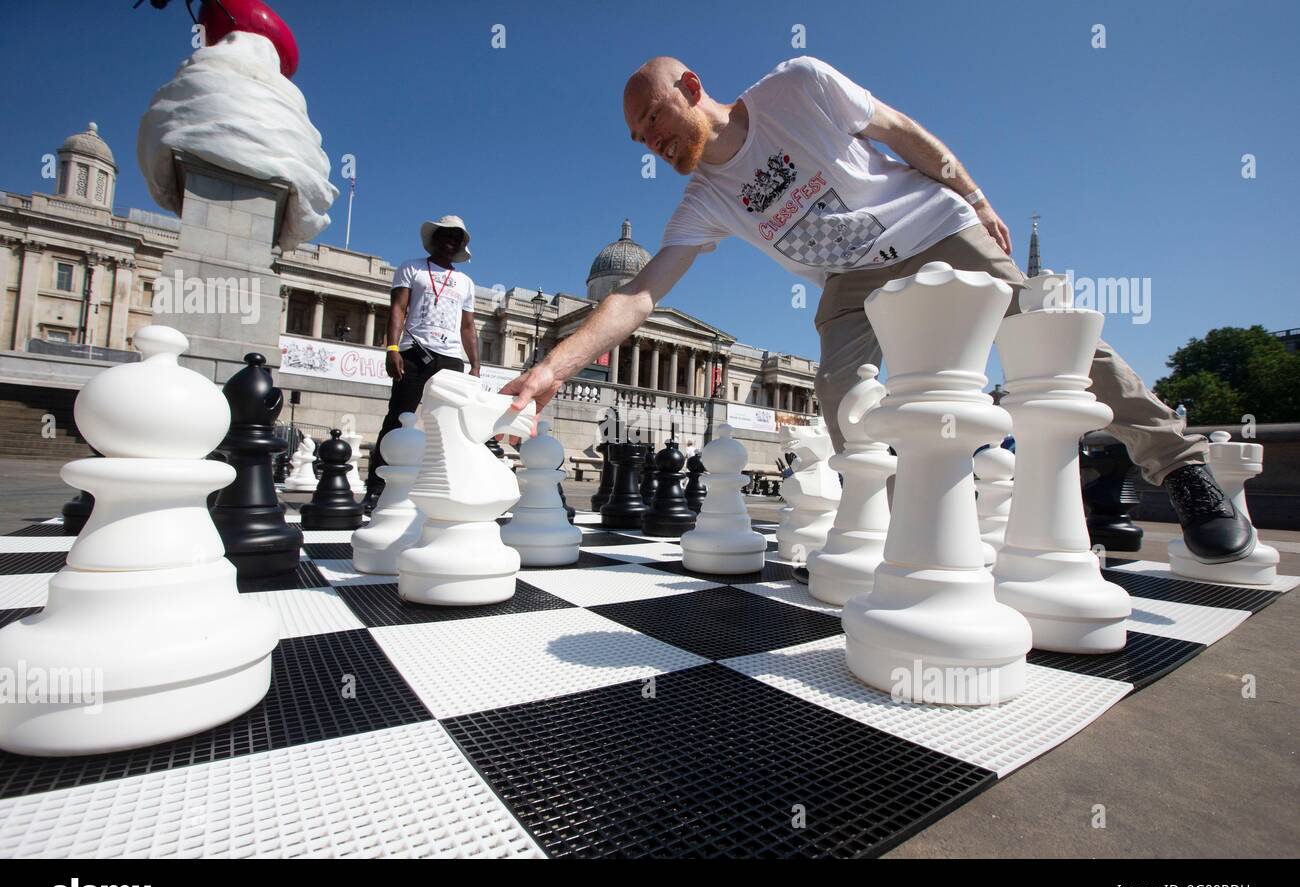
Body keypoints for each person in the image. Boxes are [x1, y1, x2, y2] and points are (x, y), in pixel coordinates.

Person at [501, 56, 1253, 566]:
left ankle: (1181, 469)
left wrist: (977, 197)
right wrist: (548, 371)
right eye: (640, 139)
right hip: (853, 280)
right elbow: (639, 293)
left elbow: (903, 133)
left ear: (691, 86)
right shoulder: (704, 200)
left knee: (1049, 339)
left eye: (654, 120)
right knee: (842, 394)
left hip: (931, 226)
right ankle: (917, 524)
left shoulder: (799, 86)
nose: (652, 142)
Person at [362, 215, 480, 511]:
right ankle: (376, 486)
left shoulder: (465, 282)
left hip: (450, 358)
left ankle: (443, 484)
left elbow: (468, 326)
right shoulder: (411, 268)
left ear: (461, 245)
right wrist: (392, 348)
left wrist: (475, 364)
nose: (451, 241)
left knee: (446, 424)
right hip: (414, 351)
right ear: (435, 238)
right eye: (447, 235)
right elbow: (398, 309)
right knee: (399, 417)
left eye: (458, 238)